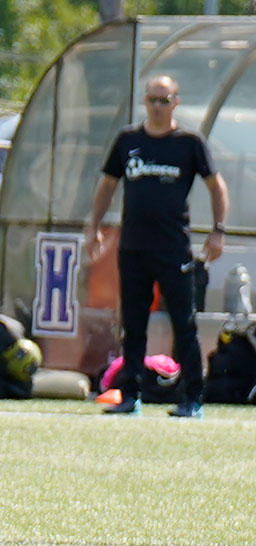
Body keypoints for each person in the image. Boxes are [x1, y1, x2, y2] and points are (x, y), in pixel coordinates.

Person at [86, 74, 230, 419]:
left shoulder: (189, 142)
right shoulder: (128, 141)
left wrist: (217, 230)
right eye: (152, 99)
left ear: (176, 102)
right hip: (133, 248)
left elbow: (216, 186)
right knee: (133, 325)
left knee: (184, 323)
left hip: (173, 249)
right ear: (144, 101)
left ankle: (192, 397)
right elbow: (107, 185)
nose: (157, 106)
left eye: (164, 100)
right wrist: (93, 227)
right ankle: (130, 394)